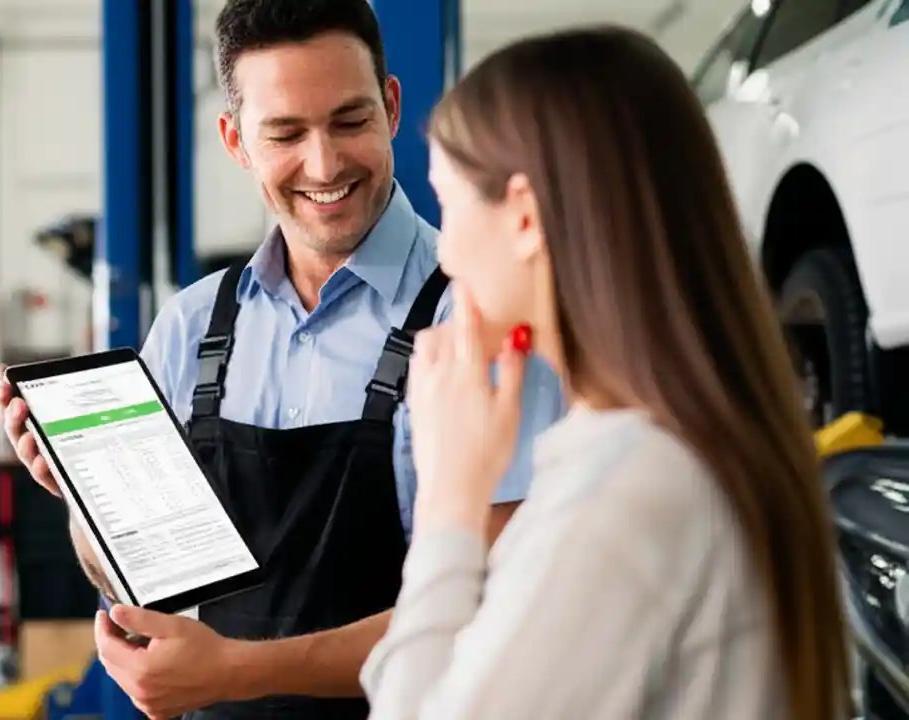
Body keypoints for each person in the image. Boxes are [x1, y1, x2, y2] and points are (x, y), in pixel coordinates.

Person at [0, 1, 565, 718]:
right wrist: (88, 499)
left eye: (349, 121)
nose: (324, 164)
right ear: (236, 140)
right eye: (286, 133)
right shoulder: (192, 327)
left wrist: (236, 671)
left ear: (391, 107)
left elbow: (500, 603)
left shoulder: (482, 318)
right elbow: (144, 581)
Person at [359, 25, 851, 720]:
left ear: (525, 215)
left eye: (450, 202)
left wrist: (448, 499)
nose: (448, 257)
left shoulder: (630, 486)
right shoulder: (674, 446)